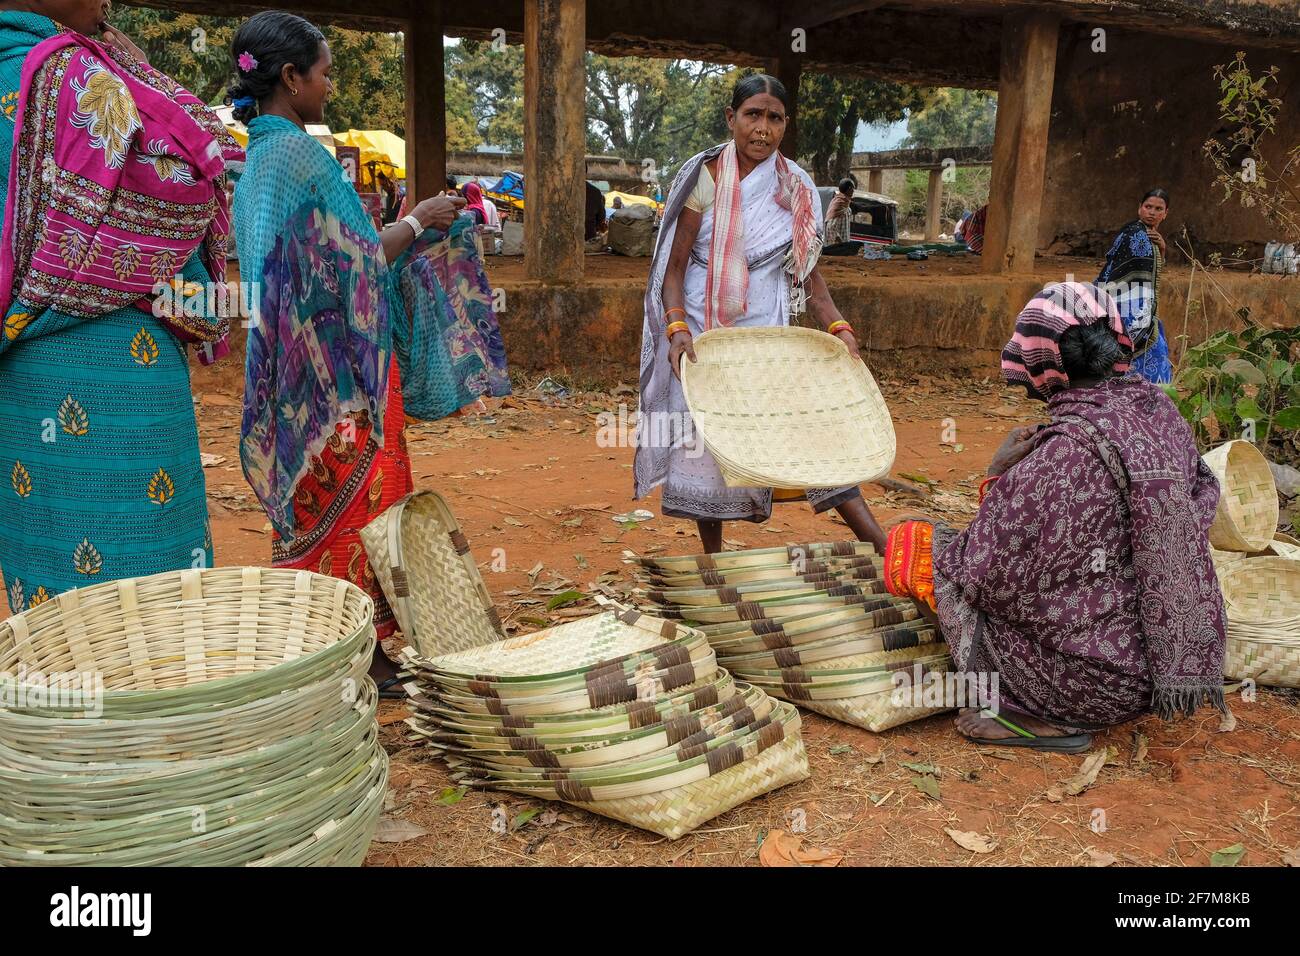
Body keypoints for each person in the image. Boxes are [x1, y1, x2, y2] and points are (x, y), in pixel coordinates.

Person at [864, 282, 1225, 751]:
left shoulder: (1061, 455)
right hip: (1162, 667)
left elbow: (987, 574)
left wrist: (997, 475)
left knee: (914, 542)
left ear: (1042, 361)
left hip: (1087, 686)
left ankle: (1038, 714)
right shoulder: (1158, 412)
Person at [228, 10, 464, 687]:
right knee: (364, 504)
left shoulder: (260, 160)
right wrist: (419, 222)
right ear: (293, 77)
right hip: (340, 375)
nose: (330, 86)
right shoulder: (300, 155)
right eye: (325, 73)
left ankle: (320, 639)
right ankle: (361, 645)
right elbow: (355, 259)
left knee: (314, 503)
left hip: (294, 369)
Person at [0, 0, 239, 612]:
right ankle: (159, 703)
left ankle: (61, 697)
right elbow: (186, 195)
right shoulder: (84, 79)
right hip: (123, 366)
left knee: (53, 581)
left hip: (23, 378)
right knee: (153, 585)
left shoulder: (79, 67)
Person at [634, 73, 886, 555]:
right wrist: (677, 328)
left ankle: (878, 542)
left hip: (766, 332)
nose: (762, 128)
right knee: (706, 442)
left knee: (806, 428)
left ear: (784, 125)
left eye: (773, 118)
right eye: (752, 115)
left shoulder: (796, 186)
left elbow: (809, 278)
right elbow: (675, 267)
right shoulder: (704, 178)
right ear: (731, 119)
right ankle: (715, 560)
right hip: (703, 332)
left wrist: (840, 328)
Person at [1097, 188, 1172, 383]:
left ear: (1165, 214)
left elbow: (1152, 272)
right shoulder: (1132, 233)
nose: (1152, 212)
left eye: (1158, 208)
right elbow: (1116, 269)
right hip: (1123, 306)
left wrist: (1162, 248)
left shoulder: (1154, 239)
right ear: (1139, 208)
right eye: (1148, 206)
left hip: (1141, 309)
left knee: (1156, 351)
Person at [823, 176, 857, 255]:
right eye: (852, 189)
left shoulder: (845, 202)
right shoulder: (838, 202)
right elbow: (831, 226)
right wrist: (838, 241)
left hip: (844, 245)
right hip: (837, 247)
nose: (853, 191)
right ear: (848, 189)